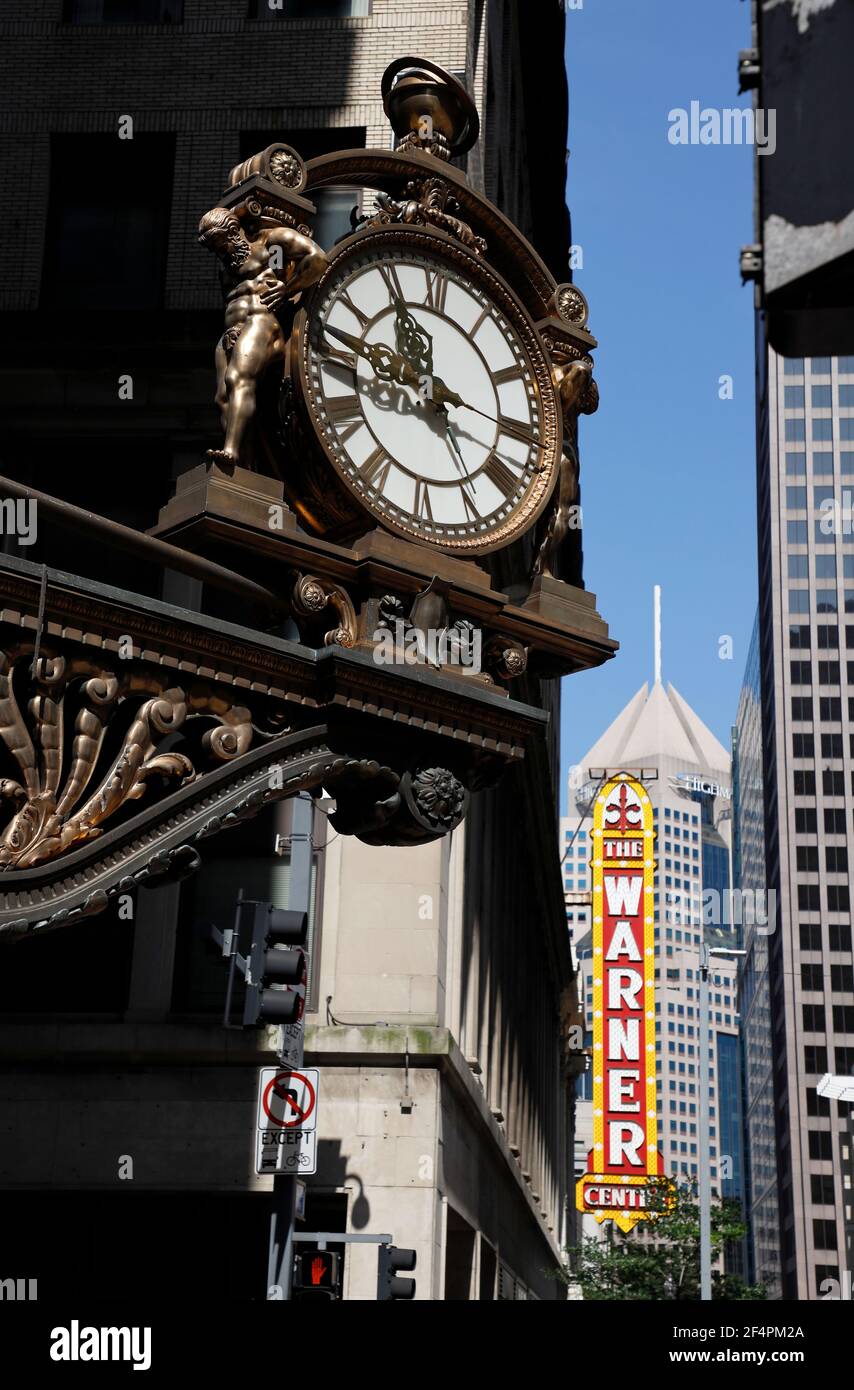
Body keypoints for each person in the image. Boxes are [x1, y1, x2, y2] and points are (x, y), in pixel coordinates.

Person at [198, 208, 327, 468]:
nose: (221, 255)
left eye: (222, 247)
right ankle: (243, 468)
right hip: (231, 331)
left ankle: (231, 451)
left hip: (263, 321)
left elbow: (318, 259)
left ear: (234, 232)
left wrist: (288, 289)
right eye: (216, 251)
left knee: (238, 377)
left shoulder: (272, 241)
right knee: (222, 398)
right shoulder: (227, 269)